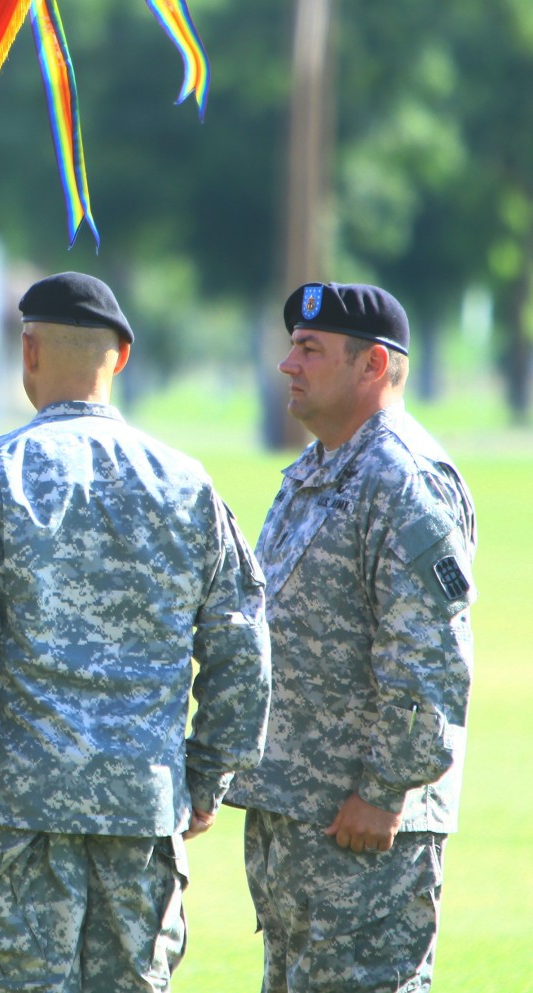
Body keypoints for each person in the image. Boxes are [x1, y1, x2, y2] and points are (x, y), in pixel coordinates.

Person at [0, 271, 272, 993]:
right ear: (123, 357)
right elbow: (242, 648)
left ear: (29, 351)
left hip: (20, 811)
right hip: (141, 809)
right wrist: (207, 779)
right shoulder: (187, 484)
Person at [225, 282, 477, 993]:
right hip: (302, 820)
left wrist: (384, 790)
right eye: (291, 347)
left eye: (310, 349)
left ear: (373, 364)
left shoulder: (403, 478)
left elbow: (430, 652)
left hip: (365, 830)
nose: (288, 364)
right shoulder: (319, 469)